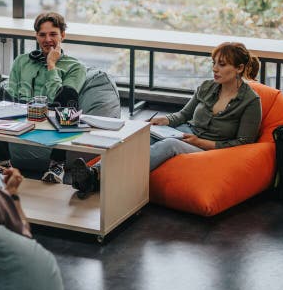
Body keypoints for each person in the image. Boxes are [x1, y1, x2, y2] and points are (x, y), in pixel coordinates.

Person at [64, 42, 263, 198]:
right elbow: (183, 115)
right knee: (140, 135)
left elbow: (244, 143)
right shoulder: (207, 87)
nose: (215, 69)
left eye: (222, 64)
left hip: (207, 147)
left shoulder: (251, 101)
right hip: (186, 133)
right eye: (214, 63)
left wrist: (202, 142)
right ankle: (92, 173)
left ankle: (101, 179)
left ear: (239, 68)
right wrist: (164, 121)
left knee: (169, 145)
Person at [0, 11, 86, 183]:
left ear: (63, 35)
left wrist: (51, 65)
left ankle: (56, 165)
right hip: (22, 111)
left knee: (69, 96)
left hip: (53, 112)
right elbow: (12, 93)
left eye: (53, 34)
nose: (47, 40)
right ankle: (3, 161)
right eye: (42, 35)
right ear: (36, 36)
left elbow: (62, 96)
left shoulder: (76, 67)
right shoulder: (22, 61)